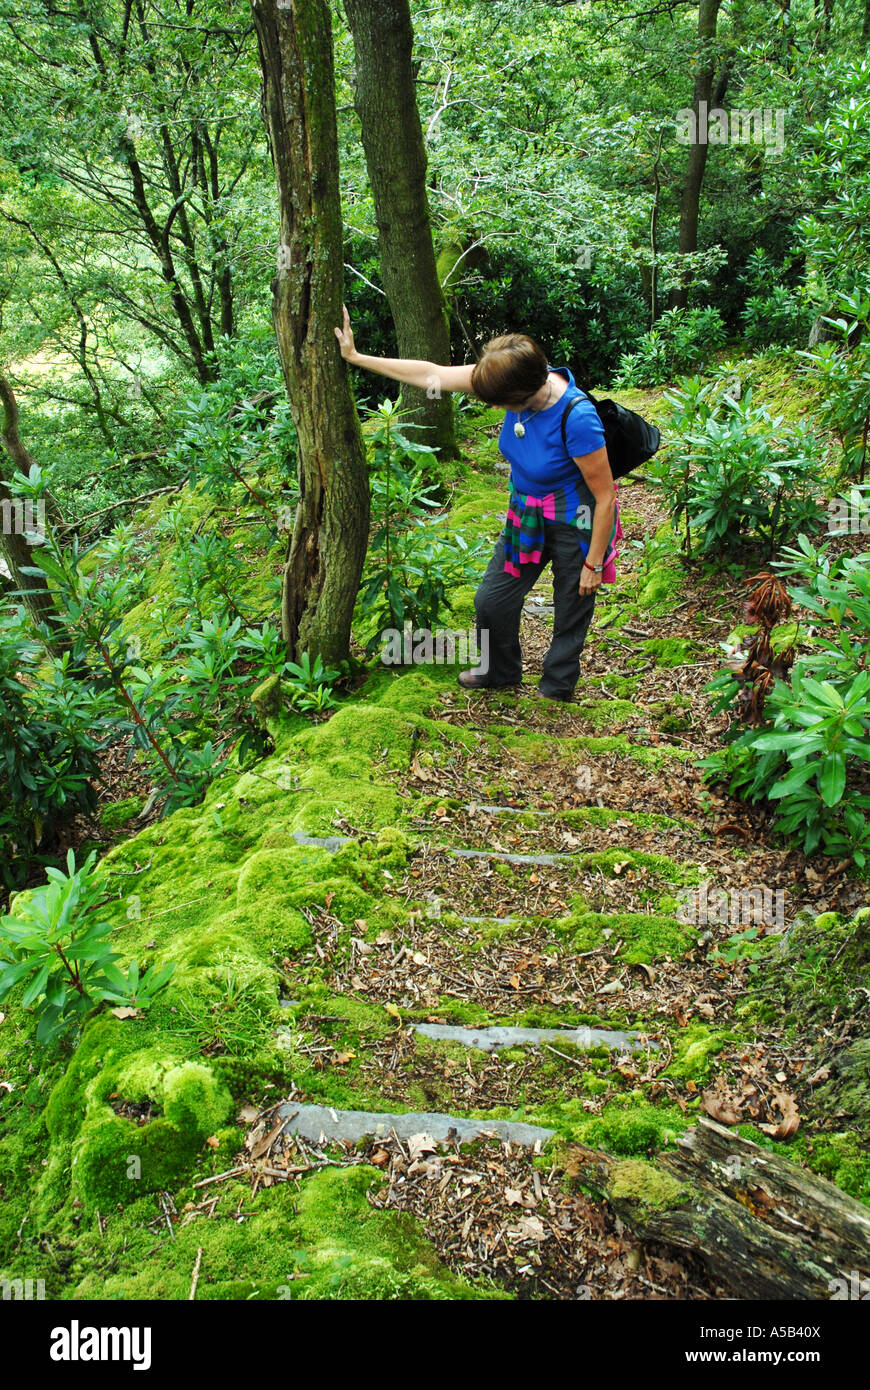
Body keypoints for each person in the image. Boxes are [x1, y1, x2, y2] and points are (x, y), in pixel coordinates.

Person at [334, 307, 620, 701]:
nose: (495, 408)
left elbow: (605, 497)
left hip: (577, 520)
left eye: (500, 404)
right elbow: (430, 373)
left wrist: (593, 564)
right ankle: (500, 670)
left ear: (518, 395)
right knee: (492, 599)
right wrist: (357, 357)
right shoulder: (505, 374)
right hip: (526, 516)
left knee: (571, 606)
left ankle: (557, 687)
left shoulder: (577, 417)